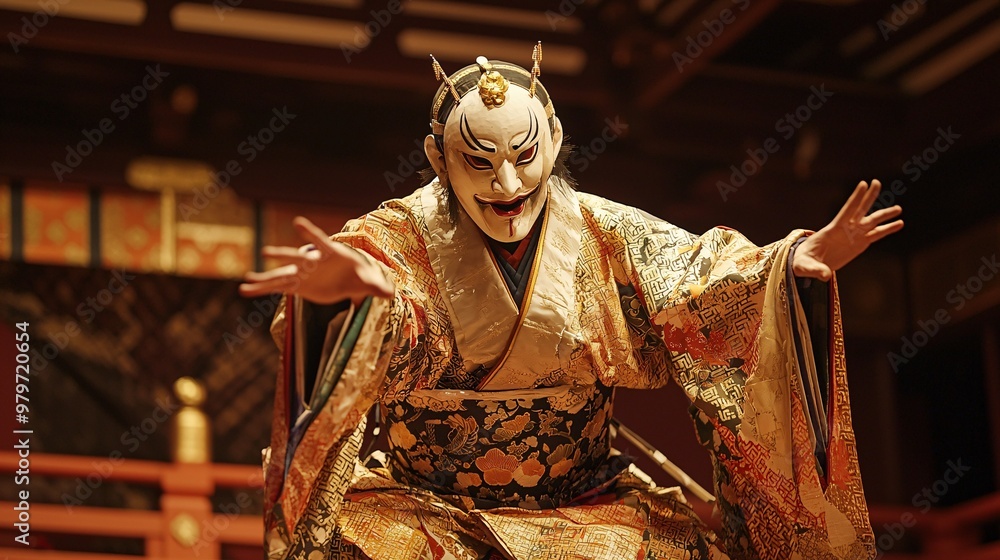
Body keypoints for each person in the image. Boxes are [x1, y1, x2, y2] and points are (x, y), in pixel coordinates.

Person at [240, 47, 903, 559]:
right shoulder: (397, 238)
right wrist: (349, 305)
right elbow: (395, 317)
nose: (507, 183)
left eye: (525, 156)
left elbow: (701, 288)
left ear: (552, 141)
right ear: (437, 159)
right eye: (479, 162)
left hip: (588, 505)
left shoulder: (602, 230)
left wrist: (783, 272)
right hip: (425, 505)